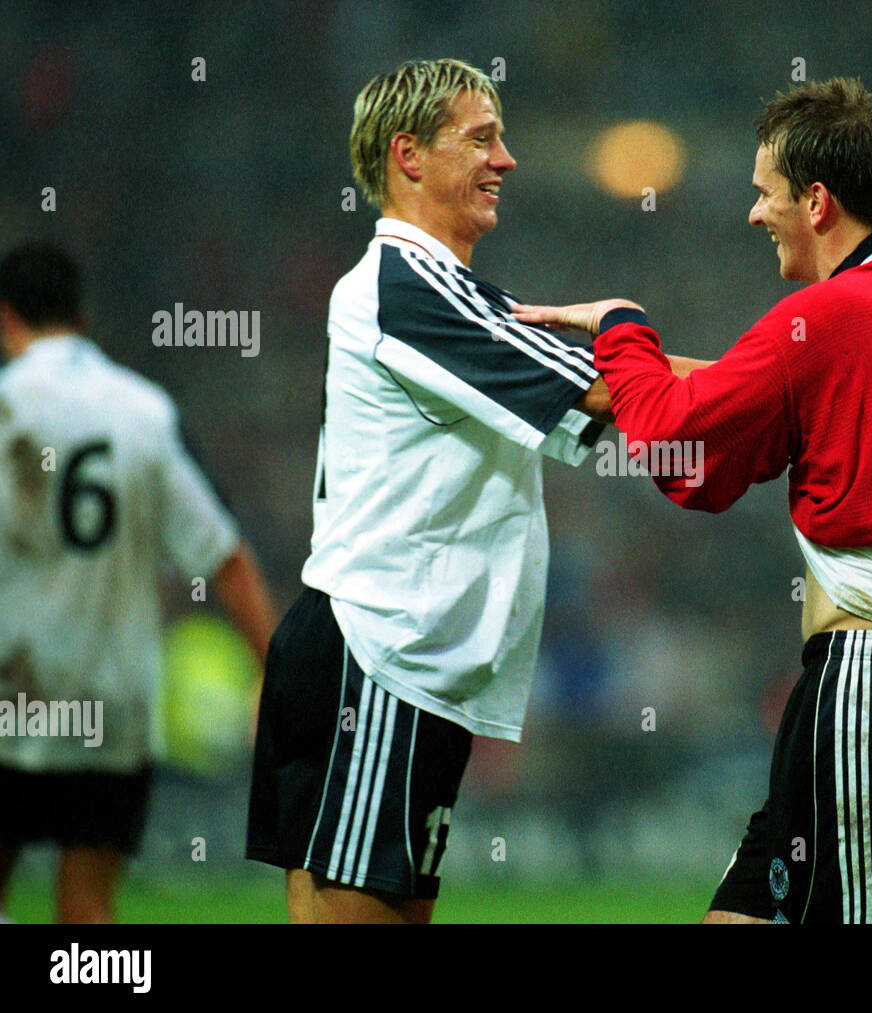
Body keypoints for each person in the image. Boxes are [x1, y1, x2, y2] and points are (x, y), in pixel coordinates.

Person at [514, 78, 872, 924]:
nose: (754, 214)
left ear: (817, 202)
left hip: (868, 685)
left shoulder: (823, 317)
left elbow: (679, 447)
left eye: (764, 194)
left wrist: (622, 327)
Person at [245, 58, 704, 924]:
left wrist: (795, 383)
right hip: (375, 655)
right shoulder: (405, 286)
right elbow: (614, 387)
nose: (508, 159)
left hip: (403, 665)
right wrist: (804, 383)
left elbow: (612, 394)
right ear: (408, 155)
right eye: (483, 138)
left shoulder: (450, 294)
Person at [0, 242, 275, 924]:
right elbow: (225, 557)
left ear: (6, 317)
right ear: (84, 316)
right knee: (89, 909)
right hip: (111, 702)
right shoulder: (143, 411)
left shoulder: (6, 408)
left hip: (11, 690)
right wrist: (275, 669)